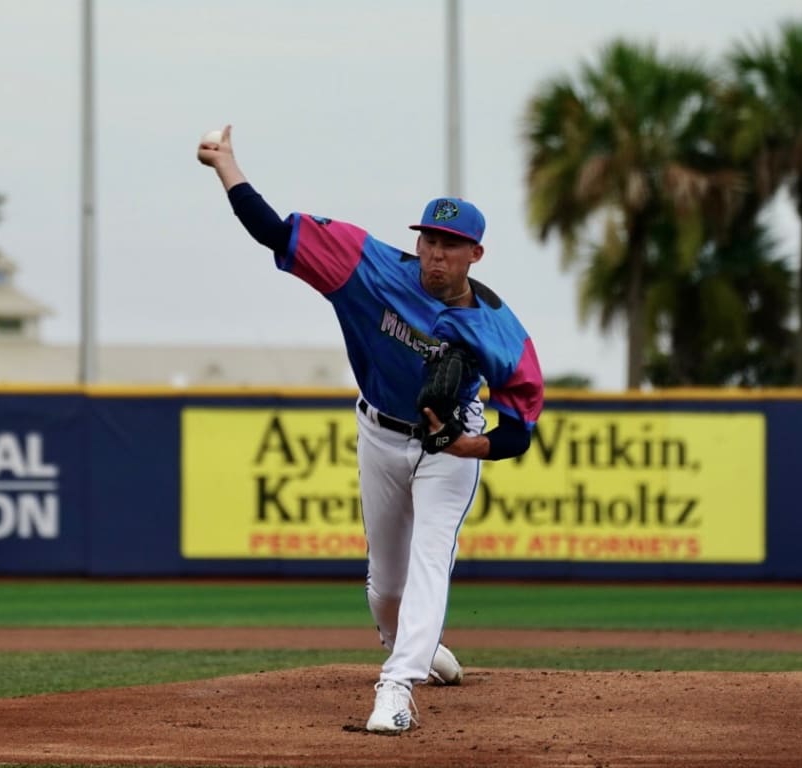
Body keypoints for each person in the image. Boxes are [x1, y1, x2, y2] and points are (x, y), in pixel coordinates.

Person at [197, 126, 545, 733]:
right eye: (430, 238)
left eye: (451, 244)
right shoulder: (367, 267)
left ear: (475, 255)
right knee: (385, 590)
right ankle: (416, 646)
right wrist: (227, 164)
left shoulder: (501, 334)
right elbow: (274, 232)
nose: (436, 252)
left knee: (432, 557)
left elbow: (519, 428)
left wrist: (469, 445)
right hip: (380, 434)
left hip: (446, 444)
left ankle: (397, 687)